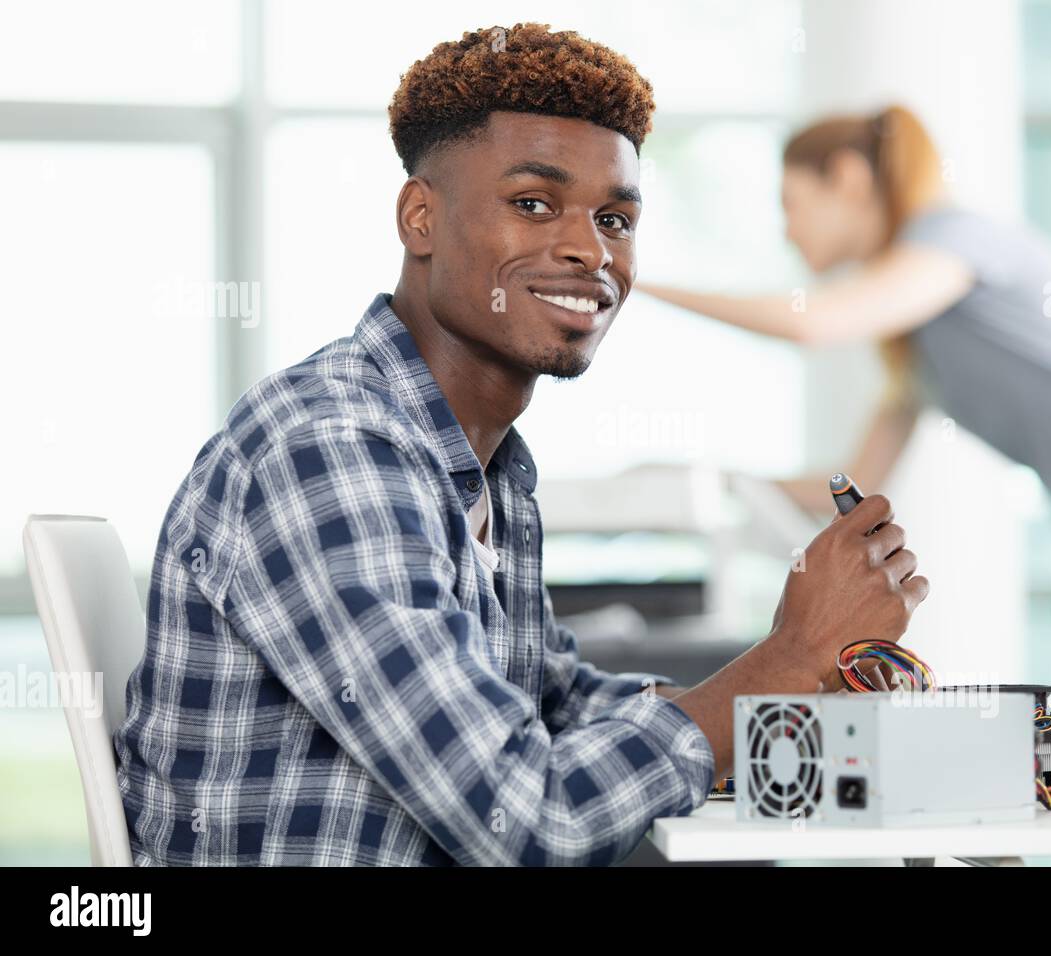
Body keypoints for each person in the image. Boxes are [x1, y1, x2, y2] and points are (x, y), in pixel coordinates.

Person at [112, 24, 928, 867]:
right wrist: (790, 659)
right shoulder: (329, 451)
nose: (588, 249)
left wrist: (817, 694)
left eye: (616, 218)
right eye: (533, 203)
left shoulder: (482, 471)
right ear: (419, 217)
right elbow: (526, 819)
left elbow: (560, 705)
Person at [637, 106, 1051, 698]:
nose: (787, 230)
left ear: (849, 178)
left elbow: (814, 323)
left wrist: (634, 280)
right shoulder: (918, 342)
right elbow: (855, 481)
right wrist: (708, 479)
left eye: (790, 203)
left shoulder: (955, 239)